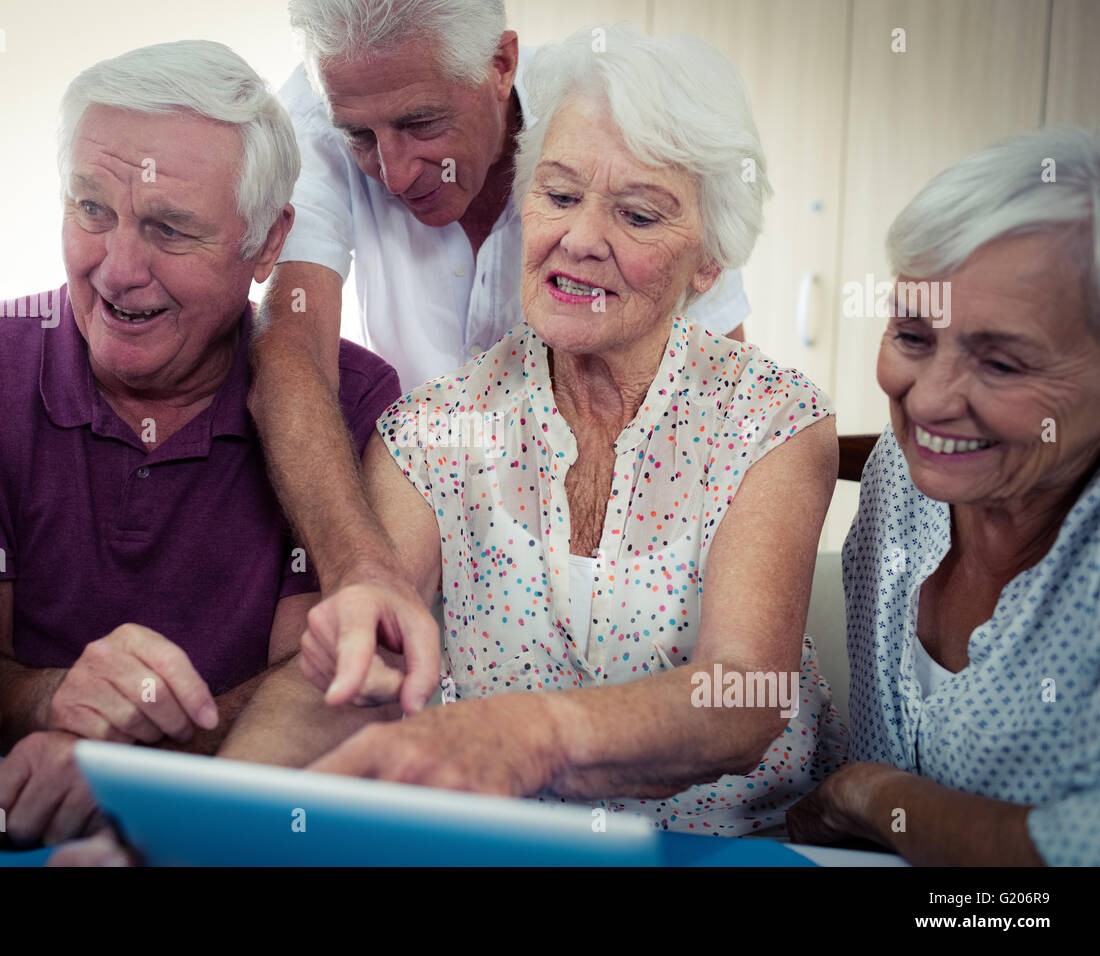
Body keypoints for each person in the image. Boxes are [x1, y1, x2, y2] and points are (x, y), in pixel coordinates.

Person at [222, 27, 846, 835]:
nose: (580, 239)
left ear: (708, 264)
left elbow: (741, 698)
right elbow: (348, 669)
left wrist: (532, 733)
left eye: (638, 213)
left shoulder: (774, 419)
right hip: (514, 846)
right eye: (557, 196)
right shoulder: (429, 430)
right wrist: (206, 824)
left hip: (741, 844)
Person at [0, 40, 401, 848]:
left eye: (170, 230)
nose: (117, 269)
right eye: (91, 210)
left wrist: (128, 768)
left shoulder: (353, 402)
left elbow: (322, 685)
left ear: (267, 243)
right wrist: (52, 699)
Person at [247, 1, 755, 714]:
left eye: (423, 124)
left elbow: (718, 397)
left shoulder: (609, 117)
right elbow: (291, 353)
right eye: (361, 136)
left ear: (501, 66)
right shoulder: (419, 437)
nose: (391, 174)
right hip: (415, 531)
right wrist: (361, 567)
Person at [786, 127, 1100, 865]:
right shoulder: (907, 472)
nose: (928, 401)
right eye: (914, 337)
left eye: (1000, 363)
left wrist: (867, 797)